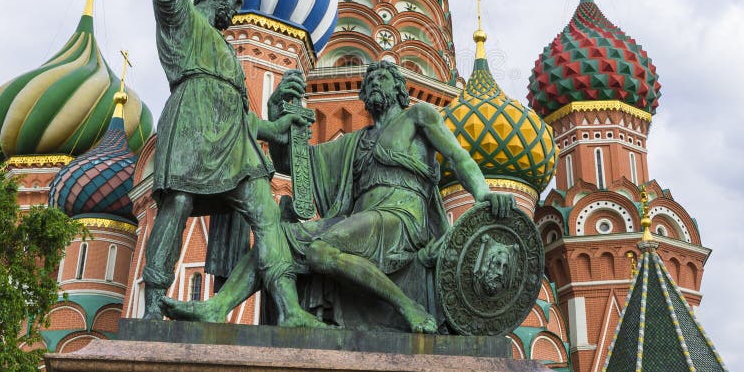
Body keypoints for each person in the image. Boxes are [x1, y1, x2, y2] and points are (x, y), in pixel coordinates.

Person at [162, 61, 511, 332]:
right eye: (369, 81)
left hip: (403, 218)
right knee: (279, 236)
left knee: (318, 249)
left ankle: (409, 308)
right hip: (364, 219)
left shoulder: (418, 116)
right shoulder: (354, 143)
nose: (374, 84)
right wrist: (277, 112)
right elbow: (293, 163)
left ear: (401, 89)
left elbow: (458, 157)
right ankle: (217, 307)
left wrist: (484, 193)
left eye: (382, 79)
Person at [143, 0, 321, 328]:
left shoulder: (226, 54)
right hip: (192, 126)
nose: (234, 14)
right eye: (231, 5)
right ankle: (155, 297)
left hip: (236, 145)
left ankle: (289, 309)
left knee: (267, 216)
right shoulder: (183, 24)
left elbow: (246, 120)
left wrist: (278, 126)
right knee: (177, 205)